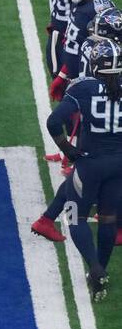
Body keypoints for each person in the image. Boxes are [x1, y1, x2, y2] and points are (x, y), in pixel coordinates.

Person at [46, 38, 122, 301]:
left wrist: (66, 148)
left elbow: (54, 122)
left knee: (74, 215)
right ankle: (101, 270)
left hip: (90, 163)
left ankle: (95, 267)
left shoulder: (84, 88)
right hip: (118, 163)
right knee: (109, 217)